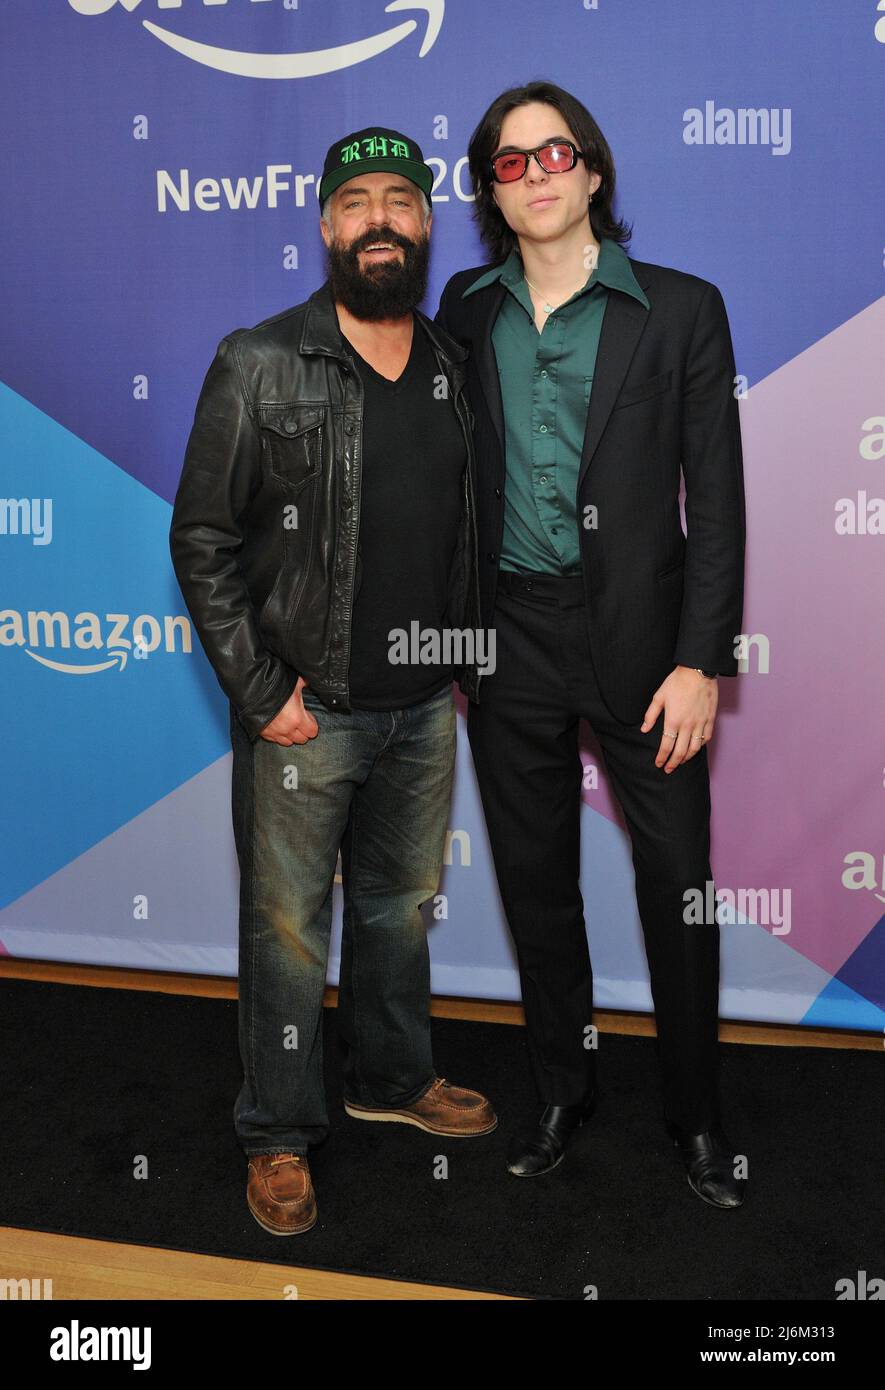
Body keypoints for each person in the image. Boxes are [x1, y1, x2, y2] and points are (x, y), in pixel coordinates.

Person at [169, 125, 496, 1237]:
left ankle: (391, 1080)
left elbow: (465, 537)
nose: (379, 220)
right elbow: (203, 538)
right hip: (308, 713)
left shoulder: (455, 363)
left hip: (420, 710)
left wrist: (457, 664)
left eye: (400, 199)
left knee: (401, 914)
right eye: (355, 201)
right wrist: (262, 693)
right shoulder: (259, 361)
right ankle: (277, 1130)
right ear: (323, 225)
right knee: (290, 932)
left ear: (425, 223)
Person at [436, 83, 747, 1207]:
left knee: (678, 885)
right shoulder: (465, 314)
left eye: (553, 152)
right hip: (508, 640)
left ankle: (698, 1119)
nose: (536, 174)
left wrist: (700, 659)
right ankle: (563, 1091)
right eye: (509, 163)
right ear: (492, 192)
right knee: (536, 884)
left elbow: (714, 501)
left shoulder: (680, 309)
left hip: (647, 650)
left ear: (594, 170)